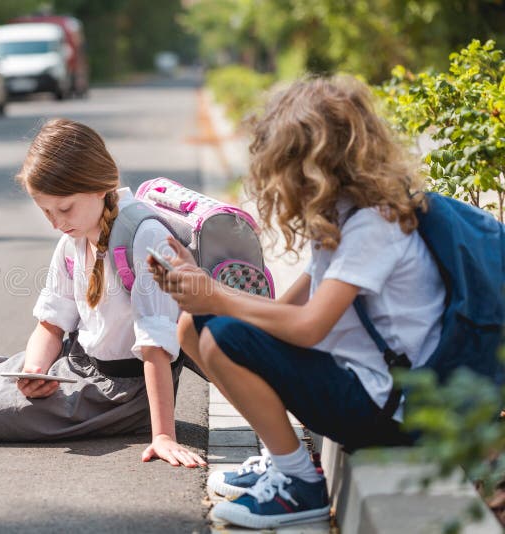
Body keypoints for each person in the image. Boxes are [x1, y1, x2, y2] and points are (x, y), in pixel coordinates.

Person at [149, 75, 445, 528]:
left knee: (224, 335)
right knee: (196, 325)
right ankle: (282, 460)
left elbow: (307, 327)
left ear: (315, 161)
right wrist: (205, 288)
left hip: (392, 410)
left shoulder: (373, 226)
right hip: (362, 387)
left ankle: (299, 486)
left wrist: (218, 298)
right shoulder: (343, 218)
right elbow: (286, 310)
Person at [0, 118, 206, 469]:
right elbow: (51, 324)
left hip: (120, 390)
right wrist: (36, 369)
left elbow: (155, 346)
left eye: (64, 208)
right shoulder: (72, 241)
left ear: (99, 186)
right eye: (45, 210)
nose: (56, 222)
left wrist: (163, 435)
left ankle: (132, 420)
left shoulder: (145, 237)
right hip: (74, 364)